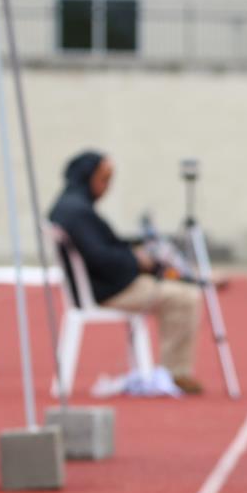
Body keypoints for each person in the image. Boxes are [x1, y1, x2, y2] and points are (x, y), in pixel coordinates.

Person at [49, 150, 205, 395]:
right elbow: (100, 257)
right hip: (107, 290)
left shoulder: (71, 206)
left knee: (179, 288)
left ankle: (170, 371)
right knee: (185, 297)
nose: (108, 186)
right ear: (87, 177)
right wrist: (138, 261)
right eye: (104, 179)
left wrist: (135, 254)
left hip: (106, 284)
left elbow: (104, 247)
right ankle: (176, 374)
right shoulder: (77, 211)